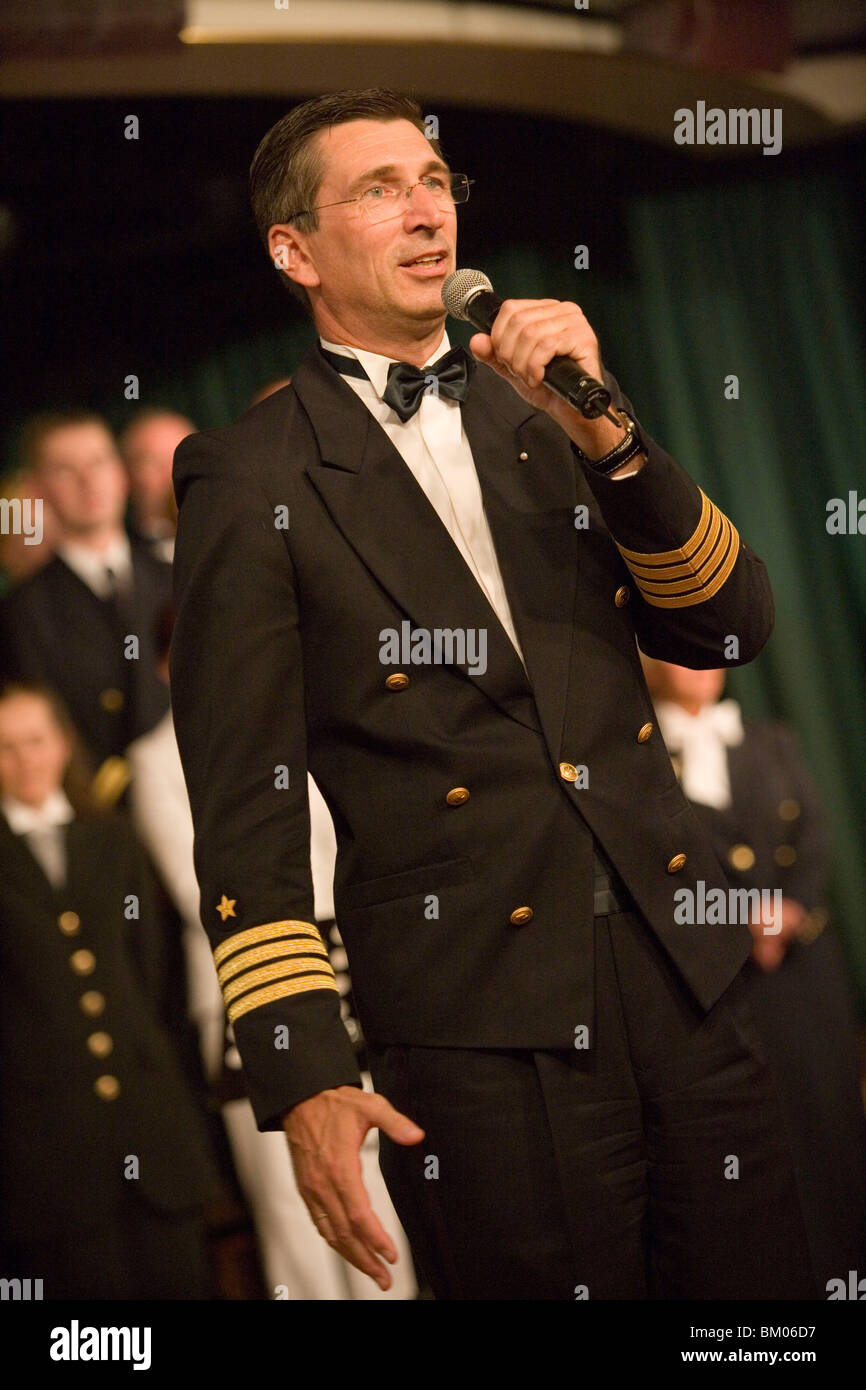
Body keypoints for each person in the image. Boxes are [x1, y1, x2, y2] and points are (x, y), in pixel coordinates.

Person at [170, 87, 815, 1300]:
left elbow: (728, 624)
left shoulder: (542, 407)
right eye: (378, 189)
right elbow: (243, 807)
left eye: (432, 181)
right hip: (478, 1029)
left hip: (682, 981)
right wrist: (302, 1069)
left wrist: (611, 440)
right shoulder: (246, 472)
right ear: (292, 250)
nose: (424, 212)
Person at [127, 606, 417, 1298]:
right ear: (170, 666)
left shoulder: (301, 721)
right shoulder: (154, 758)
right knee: (290, 1186)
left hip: (345, 963)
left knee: (374, 1163)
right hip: (245, 979)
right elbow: (202, 888)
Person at [641, 655, 866, 1292]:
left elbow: (814, 837)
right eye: (676, 650)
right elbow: (664, 872)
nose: (697, 664)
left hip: (801, 976)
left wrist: (788, 911)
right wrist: (741, 921)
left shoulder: (773, 742)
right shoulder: (643, 761)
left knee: (832, 1127)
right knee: (764, 1148)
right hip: (722, 984)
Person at [0, 681, 219, 1299]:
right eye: (6, 747)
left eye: (36, 741)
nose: (25, 760)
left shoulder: (113, 840)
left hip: (153, 1129)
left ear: (64, 743)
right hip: (49, 1149)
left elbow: (153, 975)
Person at [0, 412, 171, 803]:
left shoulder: (178, 572)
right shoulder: (23, 615)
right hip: (115, 816)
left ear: (120, 472)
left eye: (97, 462)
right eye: (65, 470)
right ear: (39, 492)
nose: (87, 481)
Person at [119, 408, 196, 563]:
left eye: (185, 458)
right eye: (153, 461)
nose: (173, 471)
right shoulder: (123, 563)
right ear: (125, 475)